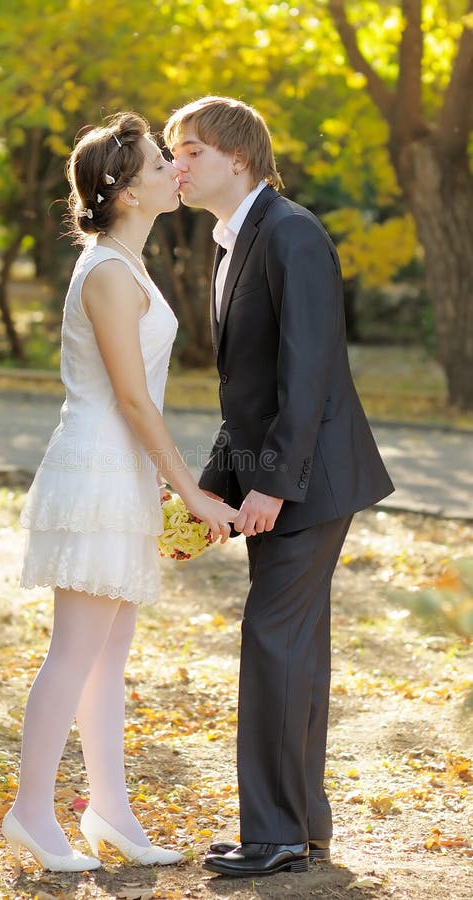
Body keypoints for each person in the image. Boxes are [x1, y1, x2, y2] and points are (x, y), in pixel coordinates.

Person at [2, 111, 238, 874]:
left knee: (108, 658)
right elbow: (133, 401)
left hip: (121, 472)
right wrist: (193, 493)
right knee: (72, 653)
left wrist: (163, 486)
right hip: (98, 470)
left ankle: (110, 810)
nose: (176, 165)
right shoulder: (104, 270)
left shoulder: (127, 265)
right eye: (159, 159)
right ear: (129, 193)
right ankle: (32, 812)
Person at [164, 97, 394, 878]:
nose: (177, 166)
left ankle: (272, 835)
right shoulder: (235, 239)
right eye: (174, 153)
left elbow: (309, 376)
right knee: (292, 651)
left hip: (309, 483)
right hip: (282, 477)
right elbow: (249, 390)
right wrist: (206, 495)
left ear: (238, 156)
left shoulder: (290, 233)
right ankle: (298, 829)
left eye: (189, 150)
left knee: (271, 643)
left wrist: (272, 491)